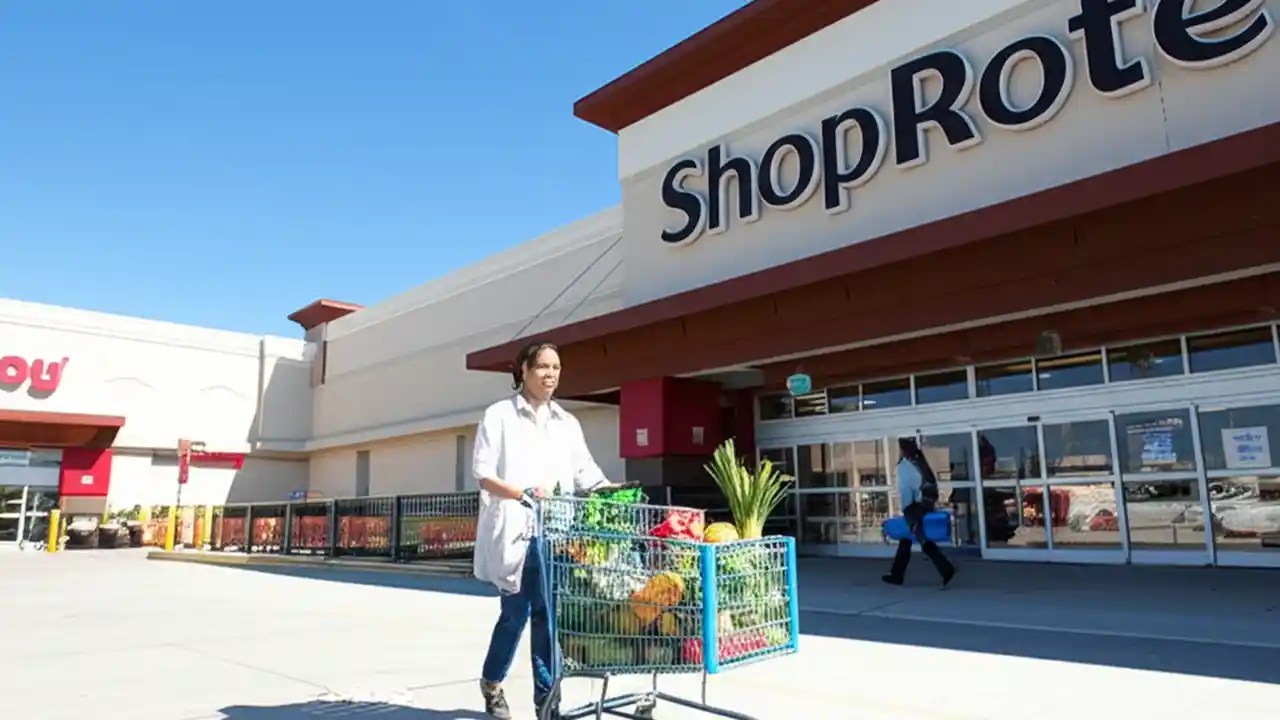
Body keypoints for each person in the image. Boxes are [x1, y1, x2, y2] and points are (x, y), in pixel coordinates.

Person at [472, 340, 614, 720]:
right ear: (523, 370)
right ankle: (492, 683)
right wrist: (521, 494)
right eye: (543, 367)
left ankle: (547, 702)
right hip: (516, 533)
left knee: (549, 619)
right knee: (515, 615)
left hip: (558, 535)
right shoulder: (499, 416)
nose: (551, 374)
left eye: (556, 367)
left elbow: (587, 472)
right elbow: (484, 474)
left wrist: (614, 491)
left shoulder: (567, 423)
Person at [882, 436, 956, 587]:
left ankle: (946, 569)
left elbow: (906, 489)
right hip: (924, 505)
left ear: (902, 449)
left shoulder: (905, 466)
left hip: (913, 507)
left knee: (920, 538)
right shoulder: (919, 462)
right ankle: (897, 574)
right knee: (907, 538)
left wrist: (906, 507)